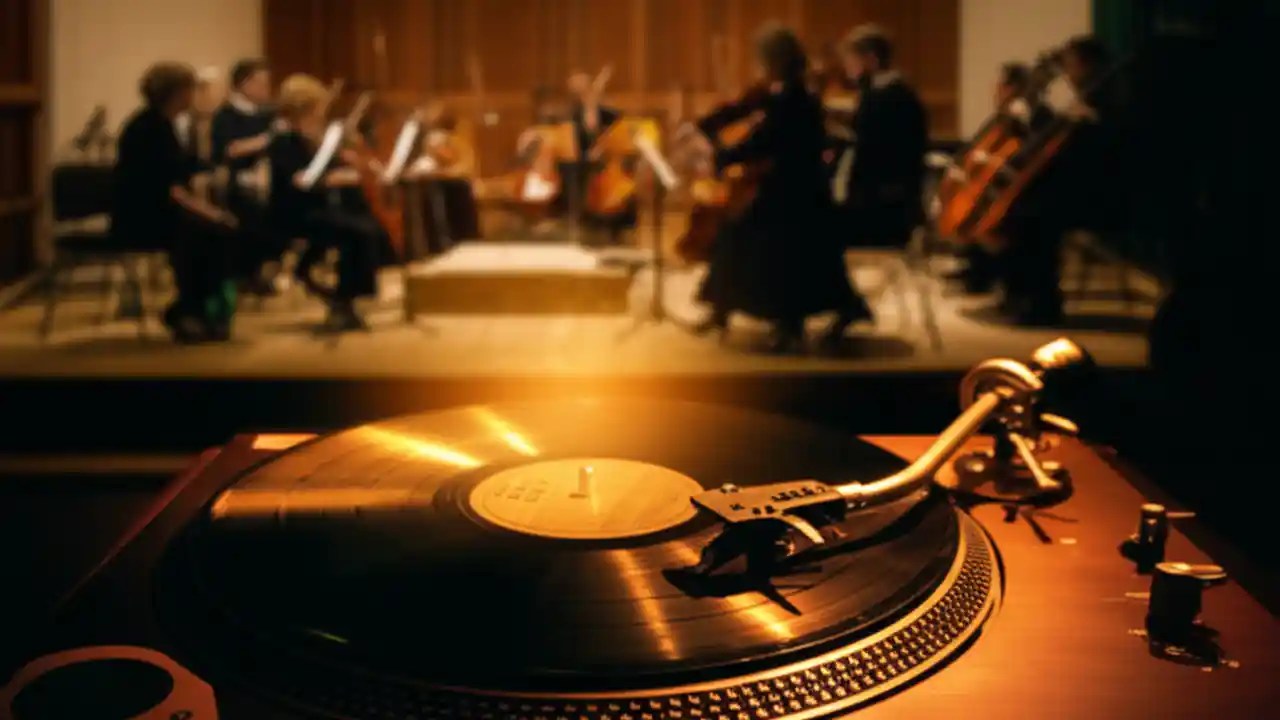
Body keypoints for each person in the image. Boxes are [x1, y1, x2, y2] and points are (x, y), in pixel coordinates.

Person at [682, 23, 871, 353]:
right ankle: (729, 312)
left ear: (774, 61)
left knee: (744, 236)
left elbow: (764, 144)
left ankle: (782, 322)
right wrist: (702, 126)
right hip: (784, 192)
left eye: (761, 59)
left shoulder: (797, 98)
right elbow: (739, 108)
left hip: (797, 196)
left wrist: (719, 155)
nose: (757, 66)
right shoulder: (777, 91)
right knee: (734, 234)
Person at [999, 35, 1126, 325]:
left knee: (1034, 216)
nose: (1067, 73)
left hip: (1107, 197)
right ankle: (1022, 293)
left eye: (1071, 65)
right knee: (1022, 209)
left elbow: (1110, 153)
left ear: (1087, 64)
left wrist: (1092, 120)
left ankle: (1042, 303)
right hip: (1081, 191)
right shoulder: (1086, 97)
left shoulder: (1111, 97)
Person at [111, 62, 238, 343]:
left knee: (215, 230)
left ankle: (195, 310)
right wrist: (211, 213)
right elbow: (168, 189)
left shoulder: (161, 123)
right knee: (207, 231)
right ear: (177, 92)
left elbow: (181, 171)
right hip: (141, 217)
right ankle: (188, 312)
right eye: (189, 89)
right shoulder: (148, 128)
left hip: (158, 210)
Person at [266, 73, 385, 332]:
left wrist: (359, 167)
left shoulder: (316, 138)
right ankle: (345, 299)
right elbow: (300, 180)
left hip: (320, 208)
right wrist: (337, 176)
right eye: (317, 108)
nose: (321, 113)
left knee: (368, 226)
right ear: (302, 109)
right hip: (295, 211)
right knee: (358, 232)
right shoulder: (283, 140)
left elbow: (337, 166)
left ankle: (346, 297)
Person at [838, 25, 928, 248]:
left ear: (871, 59)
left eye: (852, 61)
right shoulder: (887, 93)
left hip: (882, 203)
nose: (849, 69)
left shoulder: (890, 97)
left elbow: (873, 148)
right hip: (883, 199)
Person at [211, 58, 278, 295]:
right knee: (254, 211)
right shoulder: (226, 115)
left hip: (266, 179)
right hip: (237, 182)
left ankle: (267, 270)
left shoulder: (268, 114)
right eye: (261, 83)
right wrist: (266, 140)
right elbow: (228, 150)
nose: (266, 89)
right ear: (244, 84)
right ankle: (247, 274)